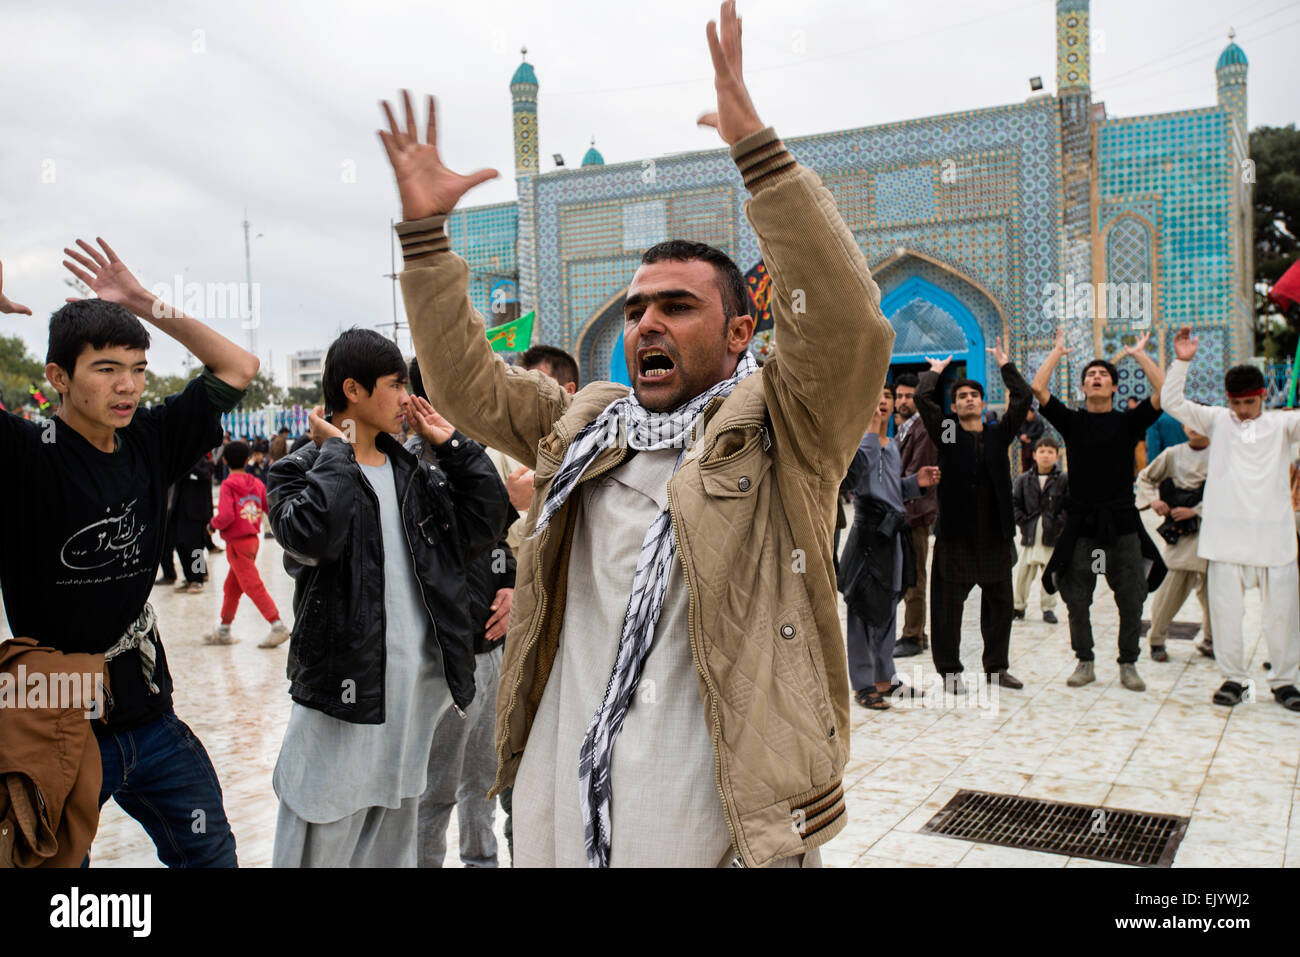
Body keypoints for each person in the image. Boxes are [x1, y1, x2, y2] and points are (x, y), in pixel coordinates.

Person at [379, 0, 894, 867]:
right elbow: (465, 383)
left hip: (709, 803)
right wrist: (428, 243)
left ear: (741, 332)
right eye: (636, 308)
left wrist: (760, 157)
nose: (646, 322)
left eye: (678, 306)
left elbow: (849, 327)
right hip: (564, 786)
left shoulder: (785, 434)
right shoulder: (585, 426)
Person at [0, 240, 258, 867]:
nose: (128, 386)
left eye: (139, 368)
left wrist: (146, 302)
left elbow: (238, 368)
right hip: (53, 721)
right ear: (58, 377)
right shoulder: (27, 452)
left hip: (148, 714)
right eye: (106, 368)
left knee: (212, 855)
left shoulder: (150, 437)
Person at [267, 328, 511, 867]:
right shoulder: (297, 470)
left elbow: (486, 526)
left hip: (410, 698)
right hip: (344, 695)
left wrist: (454, 445)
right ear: (352, 390)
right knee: (322, 825)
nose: (407, 397)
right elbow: (315, 536)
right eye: (395, 384)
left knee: (392, 836)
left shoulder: (415, 473)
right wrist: (334, 450)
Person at [405, 362, 516, 869]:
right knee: (432, 794)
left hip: (490, 650)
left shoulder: (477, 462)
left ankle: (482, 860)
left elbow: (500, 545)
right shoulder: (404, 470)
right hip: (439, 666)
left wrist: (512, 585)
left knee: (484, 781)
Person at [1161, 328, 1300, 711]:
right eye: (1236, 402)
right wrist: (1182, 361)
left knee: (1283, 617)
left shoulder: (1283, 424)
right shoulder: (1217, 421)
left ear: (1261, 398)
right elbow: (1171, 401)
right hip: (1226, 539)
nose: (1242, 410)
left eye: (1249, 403)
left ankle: (1286, 682)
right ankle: (1234, 679)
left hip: (1274, 539)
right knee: (1226, 615)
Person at [1032, 329, 1167, 691]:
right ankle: (1085, 661)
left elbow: (1164, 393)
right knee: (1078, 597)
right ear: (1084, 387)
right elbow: (1039, 390)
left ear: (1113, 388)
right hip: (1083, 526)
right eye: (1091, 375)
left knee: (1130, 596)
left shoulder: (1128, 422)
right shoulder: (1073, 422)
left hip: (1121, 524)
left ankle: (1128, 663)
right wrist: (1057, 352)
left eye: (1103, 375)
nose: (1096, 377)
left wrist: (1140, 354)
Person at [915, 342, 1030, 693]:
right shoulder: (948, 432)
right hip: (955, 536)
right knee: (947, 610)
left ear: (982, 404)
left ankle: (996, 668)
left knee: (999, 608)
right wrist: (935, 372)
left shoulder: (998, 434)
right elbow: (924, 401)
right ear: (954, 406)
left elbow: (1023, 397)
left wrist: (1004, 363)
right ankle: (950, 673)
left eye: (973, 396)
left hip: (994, 535)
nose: (968, 400)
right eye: (962, 396)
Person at [838, 386, 938, 708]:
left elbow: (892, 489)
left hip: (894, 535)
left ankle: (886, 677)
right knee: (863, 608)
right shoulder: (856, 443)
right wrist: (868, 431)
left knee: (888, 604)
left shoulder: (892, 445)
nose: (882, 401)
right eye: (876, 394)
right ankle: (863, 683)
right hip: (868, 535)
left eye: (887, 395)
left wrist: (915, 483)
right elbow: (852, 482)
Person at [1136, 423, 1211, 662]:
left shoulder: (1223, 454)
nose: (1195, 427)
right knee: (1171, 591)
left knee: (1215, 594)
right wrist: (1154, 502)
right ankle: (1157, 639)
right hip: (1181, 534)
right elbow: (1146, 478)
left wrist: (1196, 510)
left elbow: (1233, 490)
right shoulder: (1173, 454)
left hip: (1213, 532)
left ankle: (1212, 640)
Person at [202, 439, 288, 648]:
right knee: (232, 586)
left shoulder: (228, 485)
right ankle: (224, 628)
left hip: (237, 544)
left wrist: (212, 525)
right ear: (248, 459)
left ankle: (277, 625)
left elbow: (227, 515)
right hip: (252, 541)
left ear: (224, 461)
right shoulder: (257, 483)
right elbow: (269, 507)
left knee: (252, 584)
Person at [892, 372, 938, 658]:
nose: (903, 401)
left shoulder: (923, 429)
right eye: (899, 396)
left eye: (909, 396)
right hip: (905, 513)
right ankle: (917, 632)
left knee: (914, 577)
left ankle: (913, 635)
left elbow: (915, 475)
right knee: (910, 574)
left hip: (915, 514)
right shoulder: (904, 428)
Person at [1011, 436, 1067, 624]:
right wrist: (1024, 522)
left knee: (1050, 574)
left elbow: (1068, 507)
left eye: (1050, 452)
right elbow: (1015, 504)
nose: (1045, 456)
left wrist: (1058, 523)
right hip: (1030, 534)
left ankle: (1048, 608)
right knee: (1023, 574)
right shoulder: (1024, 480)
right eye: (1042, 451)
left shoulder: (1063, 480)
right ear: (1034, 455)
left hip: (1052, 535)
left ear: (1057, 455)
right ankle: (1018, 606)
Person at [170, 452, 214, 592]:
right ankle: (189, 578)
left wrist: (188, 465)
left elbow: (205, 475)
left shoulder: (205, 463)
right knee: (181, 546)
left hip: (197, 514)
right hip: (179, 512)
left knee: (195, 548)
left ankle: (198, 579)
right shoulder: (178, 464)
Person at [1017, 405, 1045, 474]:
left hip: (1034, 447)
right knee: (1025, 466)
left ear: (1033, 413)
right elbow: (1017, 432)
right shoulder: (1022, 421)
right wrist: (1021, 437)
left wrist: (1028, 436)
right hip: (1025, 447)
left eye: (1028, 413)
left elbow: (1039, 432)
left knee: (1035, 466)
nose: (1026, 415)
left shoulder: (1038, 421)